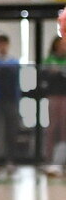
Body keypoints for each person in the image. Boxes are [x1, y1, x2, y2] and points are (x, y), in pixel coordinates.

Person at [0, 34, 21, 172]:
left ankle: (10, 160)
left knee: (10, 131)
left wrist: (17, 99)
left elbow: (17, 83)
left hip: (10, 100)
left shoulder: (14, 63)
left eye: (4, 44)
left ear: (7, 45)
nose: (2, 47)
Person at [41, 36, 66, 176]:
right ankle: (49, 161)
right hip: (54, 97)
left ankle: (60, 162)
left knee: (64, 130)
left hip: (65, 97)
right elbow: (45, 76)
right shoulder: (49, 60)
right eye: (61, 44)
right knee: (52, 129)